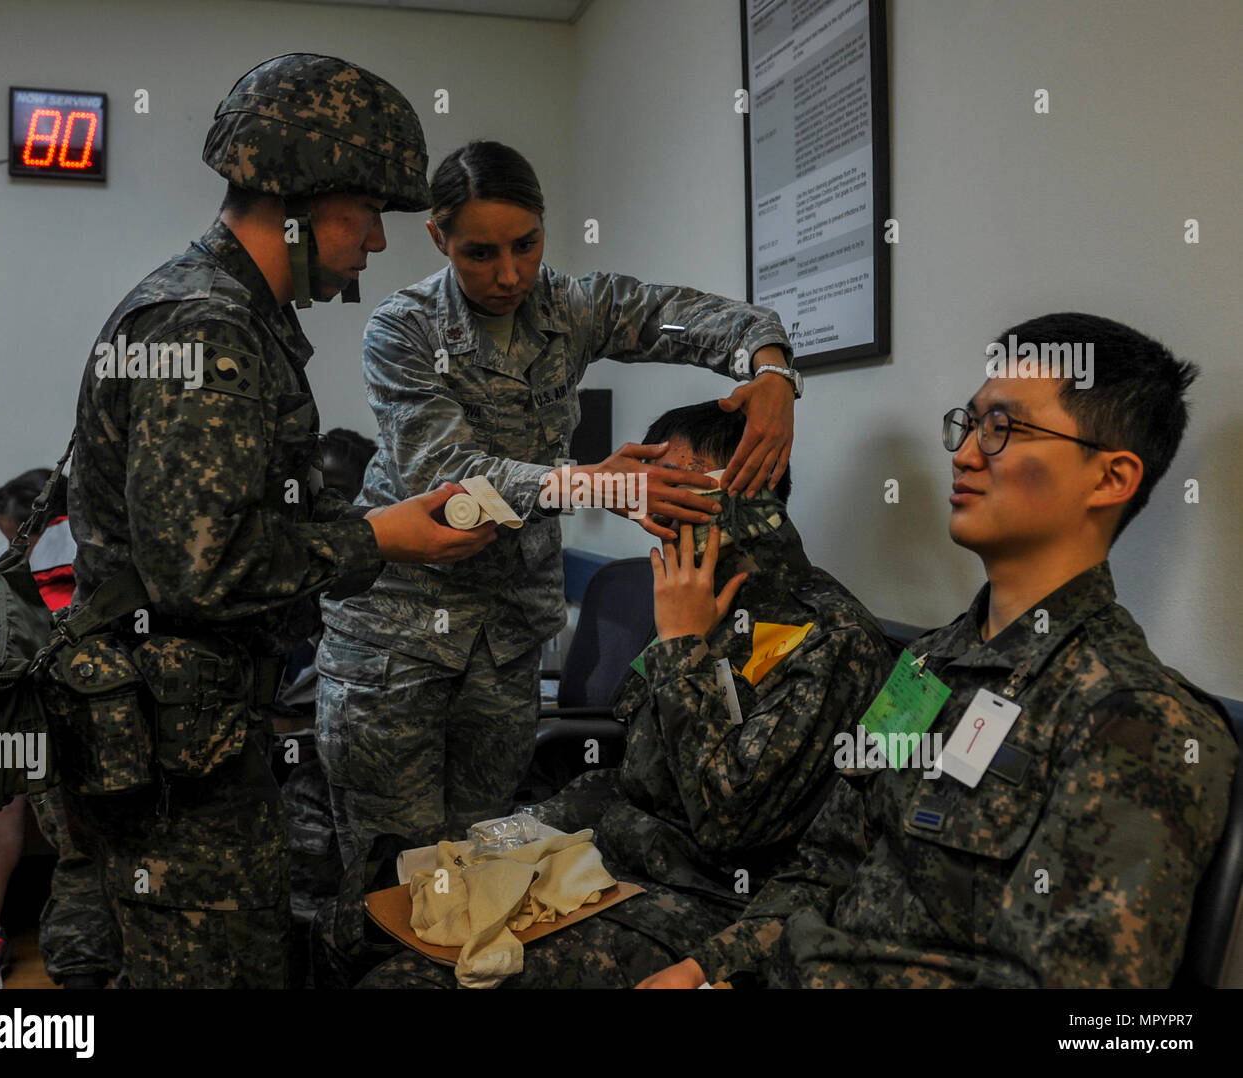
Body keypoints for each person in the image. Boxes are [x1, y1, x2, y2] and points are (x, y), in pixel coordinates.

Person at [64, 53, 496, 989]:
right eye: (368, 211)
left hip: (192, 742)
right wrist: (381, 538)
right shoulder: (208, 328)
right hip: (180, 772)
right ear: (302, 201)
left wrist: (382, 521)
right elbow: (199, 569)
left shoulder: (225, 317)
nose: (378, 241)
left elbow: (245, 516)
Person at [642, 312, 1239, 989]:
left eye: (1004, 429)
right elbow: (827, 861)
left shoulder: (1132, 722)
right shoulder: (924, 669)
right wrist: (706, 966)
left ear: (1109, 479)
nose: (963, 453)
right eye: (971, 423)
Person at [318, 140, 802, 876]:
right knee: (394, 876)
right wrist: (593, 484)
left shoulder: (573, 307)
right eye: (479, 252)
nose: (509, 274)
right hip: (399, 639)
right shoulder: (404, 328)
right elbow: (449, 478)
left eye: (527, 245)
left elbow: (685, 315)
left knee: (481, 865)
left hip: (507, 640)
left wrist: (770, 366)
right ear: (437, 237)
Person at [356, 402, 893, 988]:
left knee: (405, 981)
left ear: (745, 491)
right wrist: (507, 839)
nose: (654, 507)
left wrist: (684, 645)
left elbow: (731, 826)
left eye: (678, 484)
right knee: (363, 918)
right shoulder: (701, 593)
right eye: (649, 489)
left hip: (700, 898)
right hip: (610, 853)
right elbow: (630, 769)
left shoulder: (830, 641)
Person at [0, 470, 119, 989]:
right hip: (117, 726)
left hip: (56, 728)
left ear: (25, 519)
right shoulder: (113, 540)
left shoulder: (35, 557)